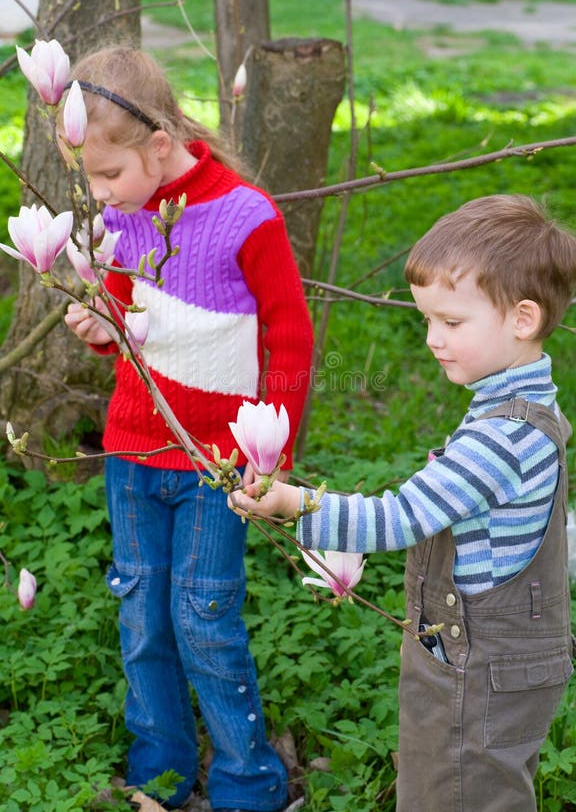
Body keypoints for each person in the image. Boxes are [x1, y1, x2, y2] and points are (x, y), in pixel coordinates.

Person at [230, 194, 576, 812]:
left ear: (522, 319)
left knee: (463, 795)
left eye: (451, 322)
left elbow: (396, 518)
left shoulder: (499, 438)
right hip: (485, 663)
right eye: (426, 320)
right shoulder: (526, 410)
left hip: (479, 672)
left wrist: (295, 504)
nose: (431, 340)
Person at [63, 46, 314, 812]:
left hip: (218, 465)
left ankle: (249, 786)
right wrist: (98, 326)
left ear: (161, 147)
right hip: (133, 453)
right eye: (91, 180)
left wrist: (269, 455)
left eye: (110, 176)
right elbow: (125, 317)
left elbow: (289, 337)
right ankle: (161, 775)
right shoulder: (121, 219)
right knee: (143, 616)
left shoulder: (245, 214)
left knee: (204, 619)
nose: (101, 196)